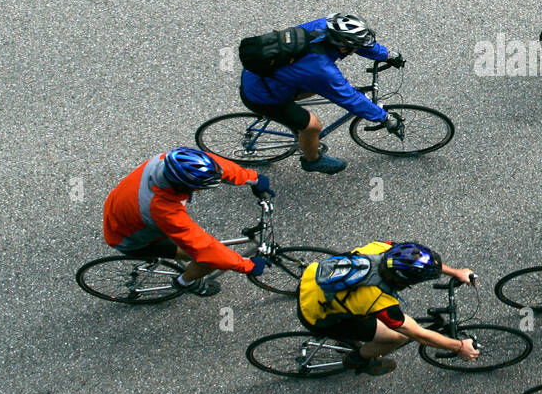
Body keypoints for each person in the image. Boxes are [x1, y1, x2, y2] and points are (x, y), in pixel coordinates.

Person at [239, 13, 405, 175]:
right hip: (262, 95)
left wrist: (386, 55)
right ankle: (312, 161)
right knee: (313, 126)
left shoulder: (325, 26)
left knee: (326, 87)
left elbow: (357, 42)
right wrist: (384, 118)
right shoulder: (321, 70)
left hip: (263, 76)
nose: (356, 50)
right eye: (353, 48)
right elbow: (350, 99)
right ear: (342, 47)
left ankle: (297, 124)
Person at [102, 147, 274, 296]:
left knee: (210, 251)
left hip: (121, 210)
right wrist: (247, 265)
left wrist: (252, 178)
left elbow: (214, 165)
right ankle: (185, 282)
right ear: (182, 186)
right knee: (206, 260)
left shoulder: (169, 160)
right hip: (128, 238)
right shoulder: (162, 209)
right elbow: (206, 249)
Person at [296, 241, 479, 376]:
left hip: (311, 281)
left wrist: (456, 272)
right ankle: (358, 359)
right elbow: (418, 334)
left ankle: (353, 338)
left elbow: (418, 261)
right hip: (317, 316)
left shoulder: (382, 250)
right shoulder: (379, 300)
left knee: (365, 315)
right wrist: (459, 346)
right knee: (397, 336)